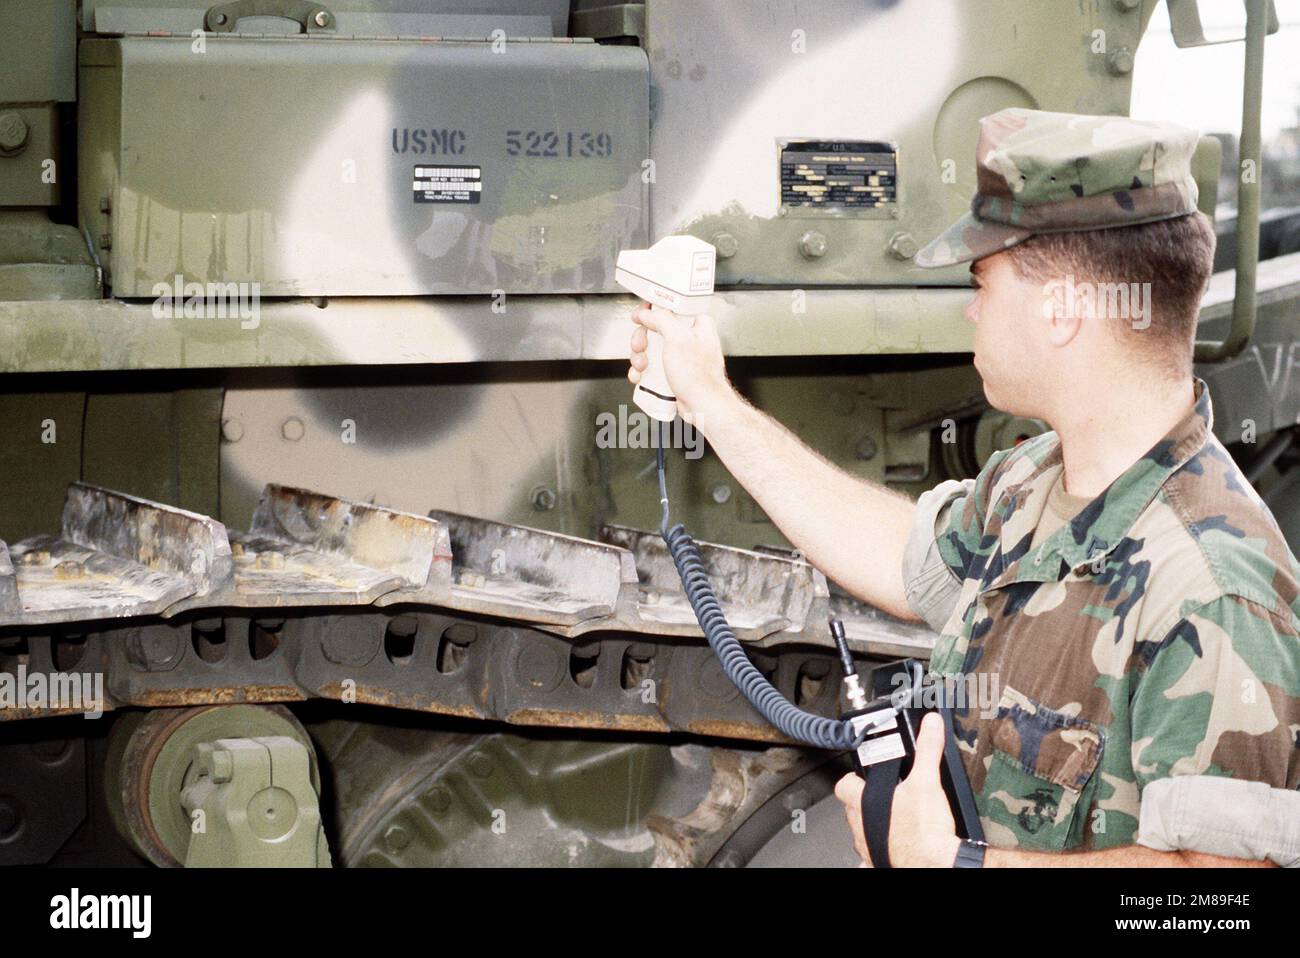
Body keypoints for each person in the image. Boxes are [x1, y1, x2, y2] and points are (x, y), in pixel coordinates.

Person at [627, 108, 1299, 867]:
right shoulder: (1035, 478)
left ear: (1064, 306)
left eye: (982, 279)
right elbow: (897, 555)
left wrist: (955, 865)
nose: (972, 307)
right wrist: (707, 399)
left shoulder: (1214, 590)